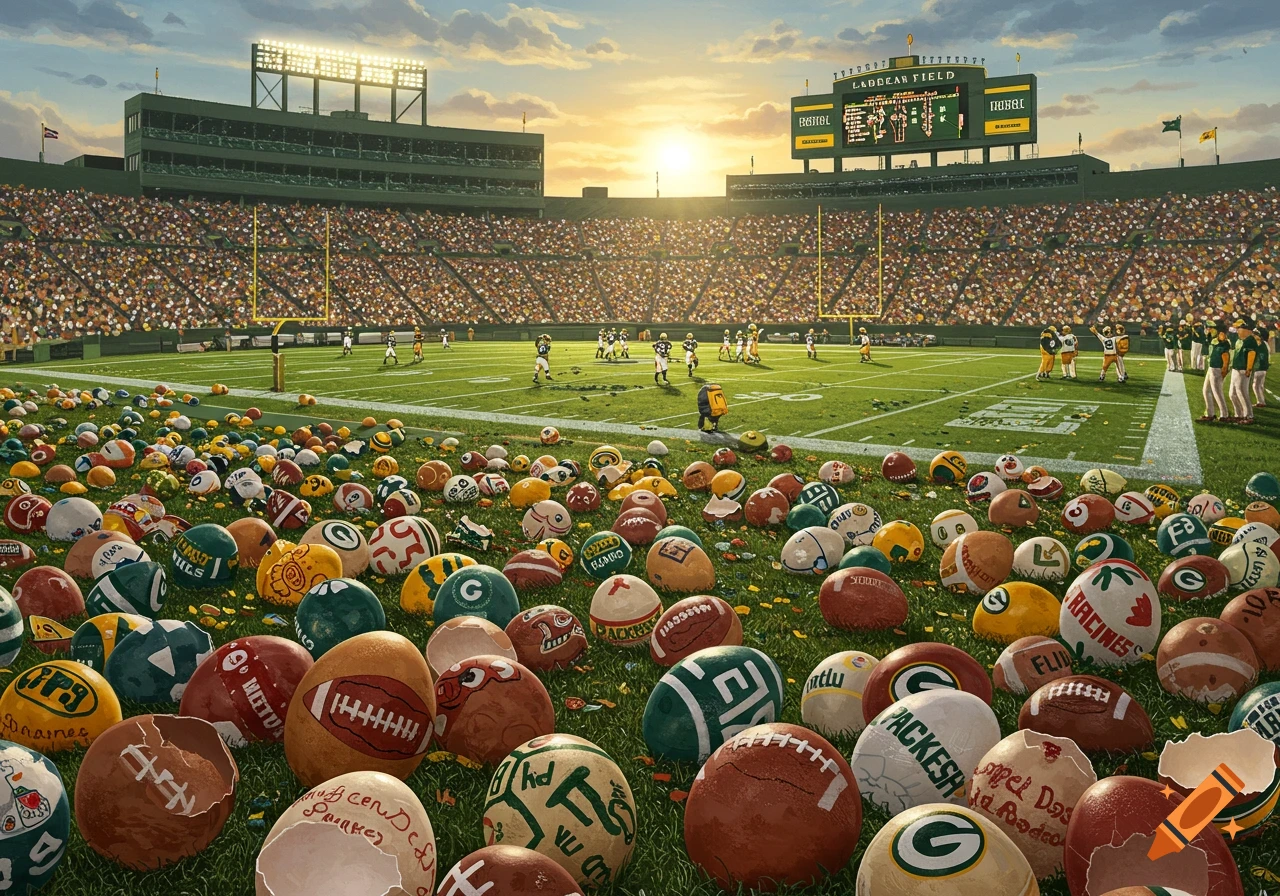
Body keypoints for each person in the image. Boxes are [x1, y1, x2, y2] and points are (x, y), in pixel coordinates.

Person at [1229, 317, 1259, 424]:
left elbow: (1251, 354)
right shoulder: (1239, 340)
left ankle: (1248, 416)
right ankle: (1239, 414)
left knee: (1242, 392)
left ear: (1247, 329)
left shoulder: (1250, 340)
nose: (1237, 330)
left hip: (1243, 369)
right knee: (1232, 394)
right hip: (1236, 368)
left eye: (1239, 328)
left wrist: (1249, 368)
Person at [1200, 320, 1231, 423]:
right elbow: (1208, 341)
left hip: (1217, 369)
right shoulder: (1214, 340)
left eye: (1224, 334)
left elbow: (1226, 358)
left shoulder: (1225, 344)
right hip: (1211, 368)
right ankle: (1210, 413)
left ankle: (1224, 414)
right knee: (1206, 390)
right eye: (1222, 333)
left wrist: (1224, 369)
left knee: (1217, 392)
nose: (1223, 336)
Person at [1253, 325, 1270, 408]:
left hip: (1259, 367)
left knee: (1256, 385)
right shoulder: (1264, 343)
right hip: (1264, 367)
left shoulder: (1258, 343)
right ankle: (1262, 400)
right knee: (1260, 385)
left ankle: (1261, 402)